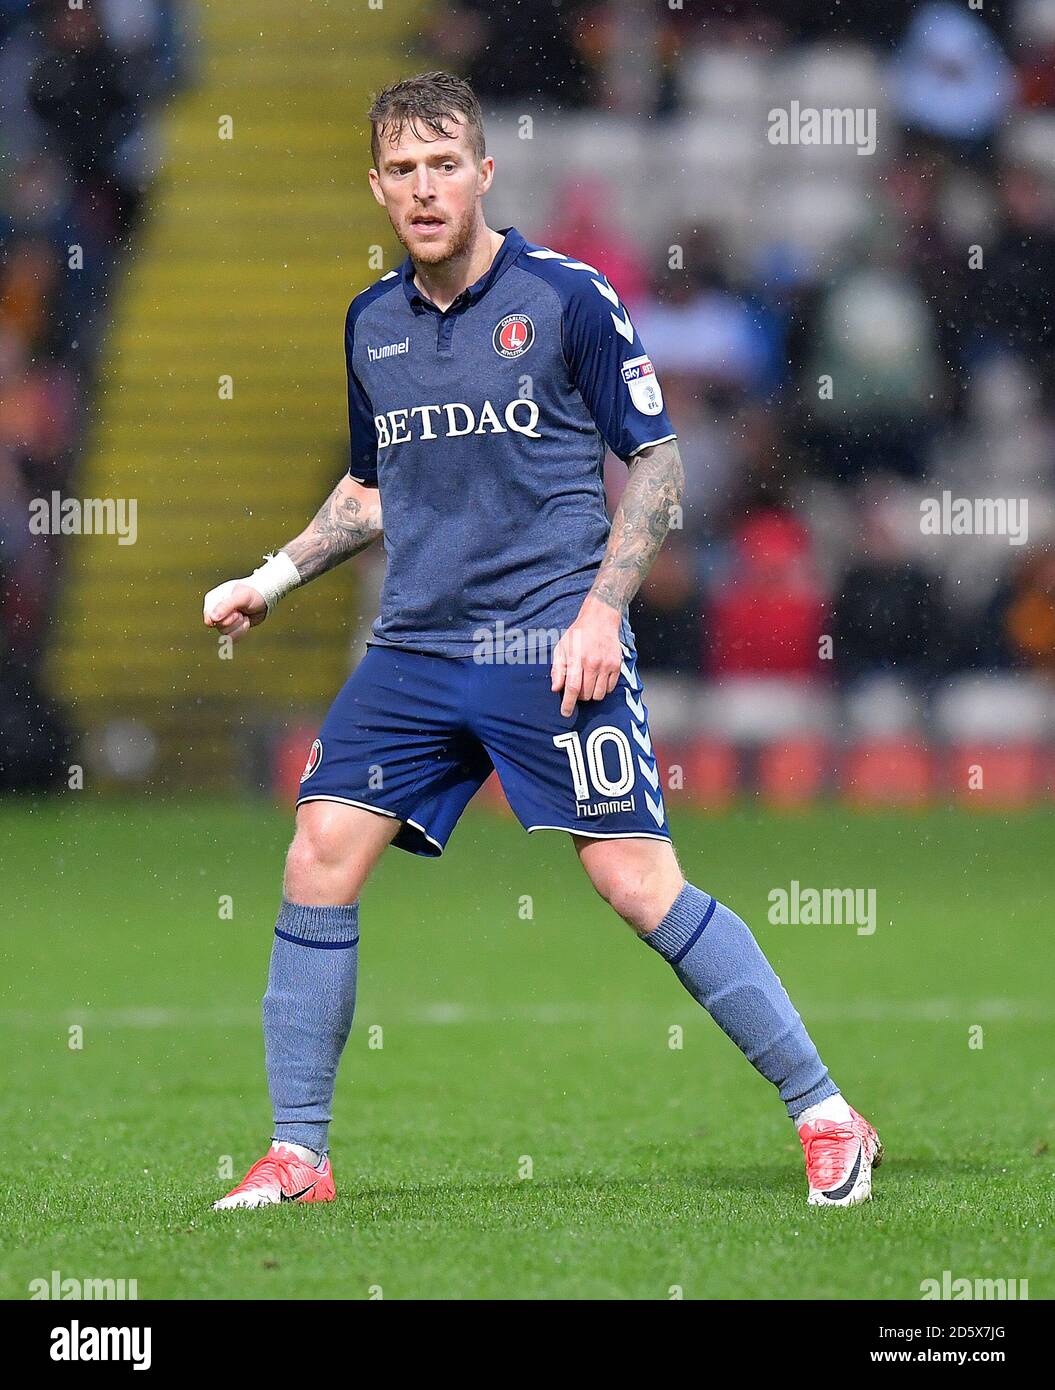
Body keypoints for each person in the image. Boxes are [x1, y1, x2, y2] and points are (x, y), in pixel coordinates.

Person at [203, 72, 881, 1210]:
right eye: (402, 171)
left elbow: (658, 467)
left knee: (635, 883)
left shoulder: (566, 298)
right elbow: (375, 489)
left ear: (482, 172)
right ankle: (299, 1156)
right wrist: (270, 578)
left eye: (443, 165)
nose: (425, 189)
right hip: (414, 646)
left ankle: (825, 1112)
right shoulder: (371, 326)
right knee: (316, 855)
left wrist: (601, 610)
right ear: (377, 188)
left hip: (546, 641)